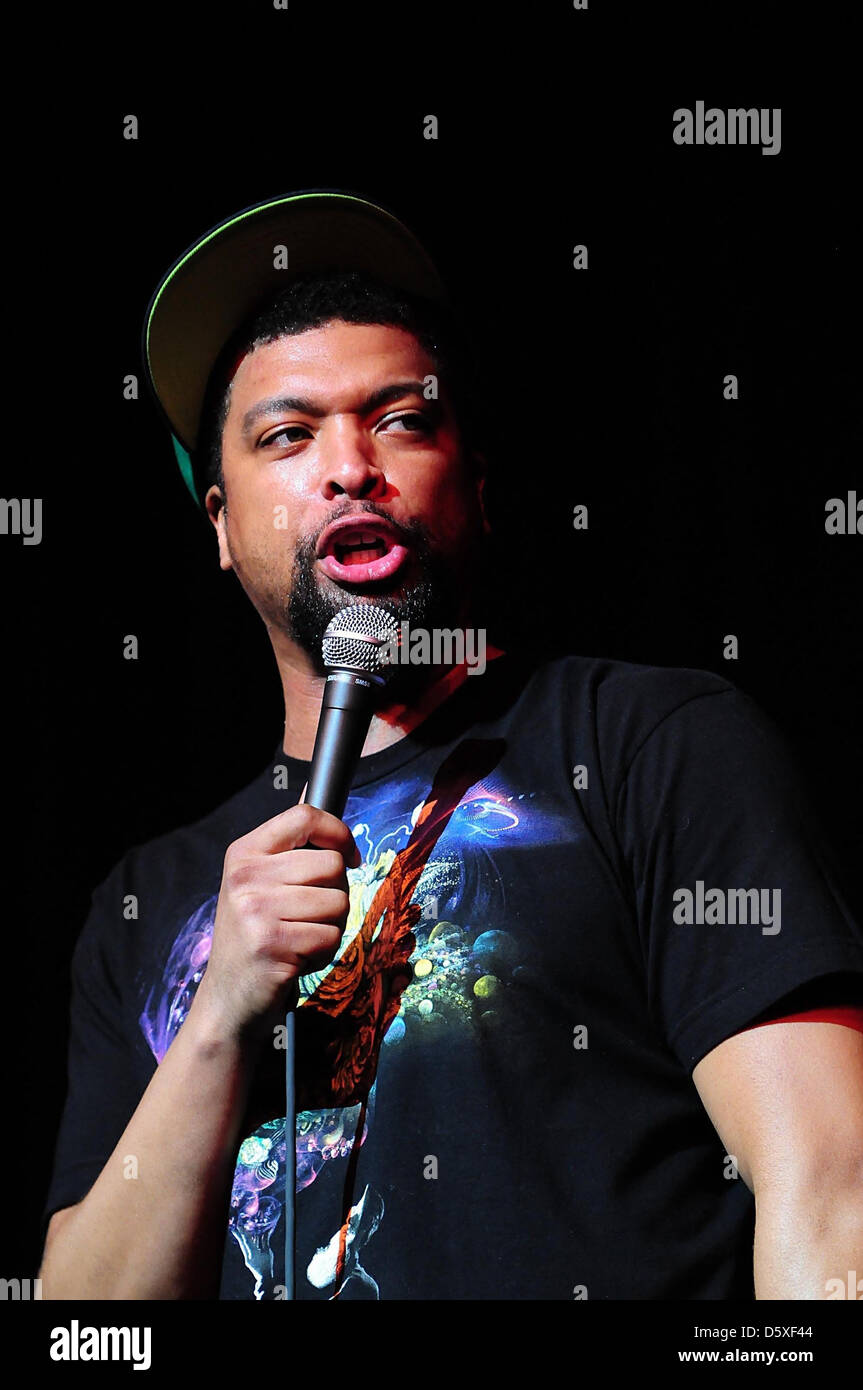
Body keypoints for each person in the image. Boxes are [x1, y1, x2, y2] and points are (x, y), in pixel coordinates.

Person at [39, 190, 863, 1301]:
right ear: (221, 528)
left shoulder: (647, 745)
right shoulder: (148, 897)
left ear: (476, 489)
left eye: (399, 419)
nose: (348, 466)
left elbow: (827, 1183)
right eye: (288, 435)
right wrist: (219, 1017)